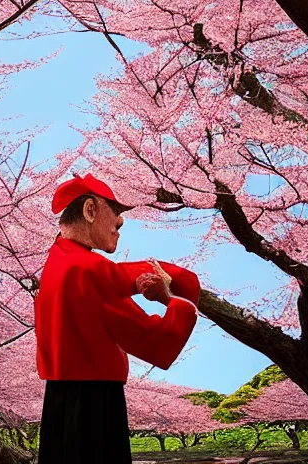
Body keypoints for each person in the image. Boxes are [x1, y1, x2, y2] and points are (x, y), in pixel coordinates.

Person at [35, 172, 200, 464]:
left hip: (58, 401)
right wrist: (173, 302)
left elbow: (117, 276)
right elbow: (159, 344)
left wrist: (162, 277)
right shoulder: (91, 271)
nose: (120, 223)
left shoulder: (58, 260)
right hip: (95, 405)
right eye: (116, 212)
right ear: (90, 210)